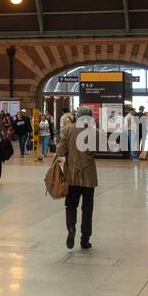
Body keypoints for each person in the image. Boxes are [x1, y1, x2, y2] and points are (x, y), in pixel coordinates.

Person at [55, 107, 98, 250]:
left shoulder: (68, 130)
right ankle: (85, 239)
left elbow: (60, 151)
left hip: (72, 175)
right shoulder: (94, 131)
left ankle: (71, 228)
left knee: (71, 205)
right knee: (87, 209)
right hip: (89, 176)